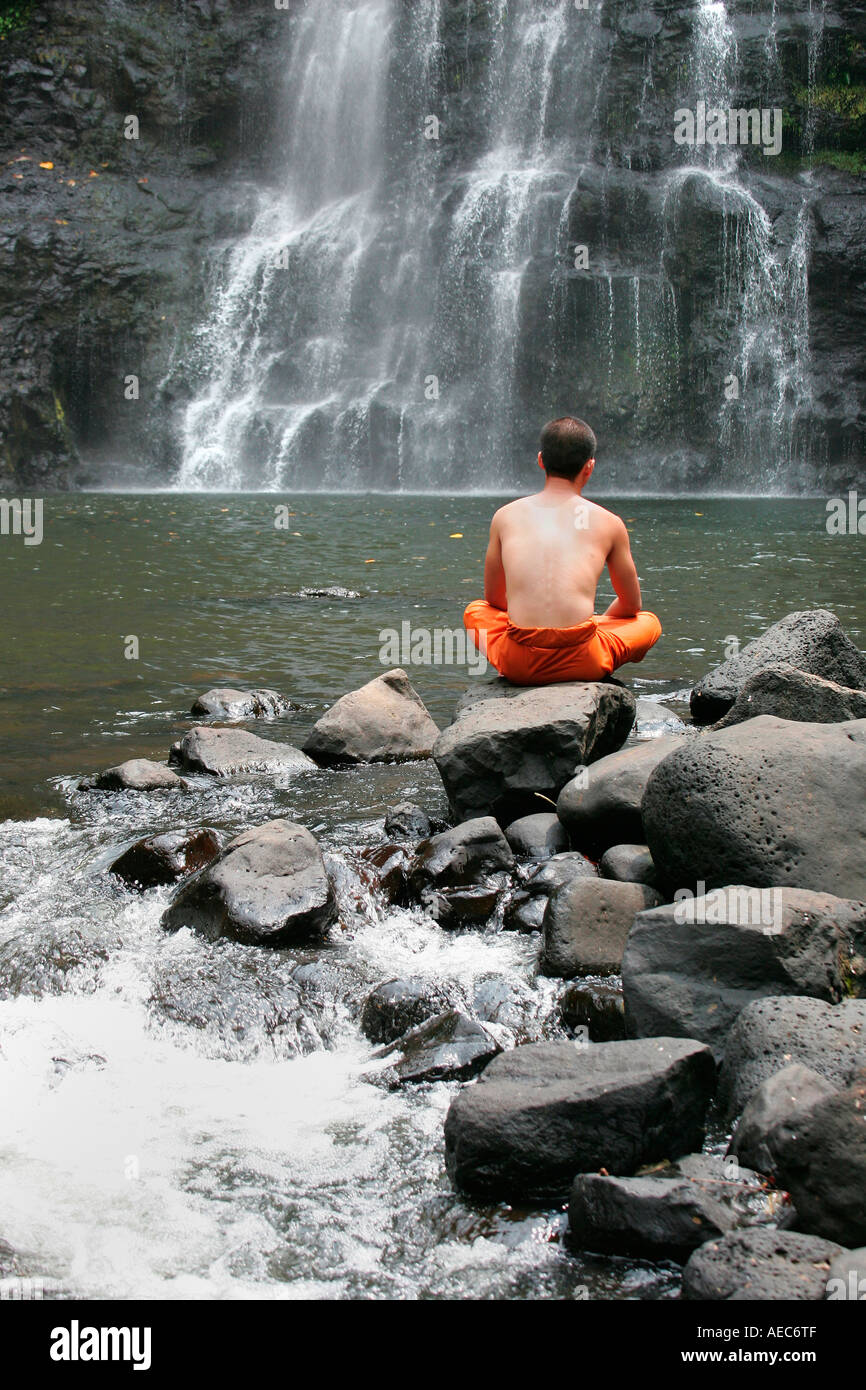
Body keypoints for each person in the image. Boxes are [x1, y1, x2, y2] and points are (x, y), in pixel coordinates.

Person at [464, 416, 662, 685]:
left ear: (541, 460)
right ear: (589, 467)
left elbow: (494, 599)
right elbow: (630, 605)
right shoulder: (610, 522)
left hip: (519, 663)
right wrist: (588, 624)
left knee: (475, 611)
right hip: (584, 661)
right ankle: (587, 632)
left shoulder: (504, 516)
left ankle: (561, 638)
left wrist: (535, 621)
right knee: (648, 621)